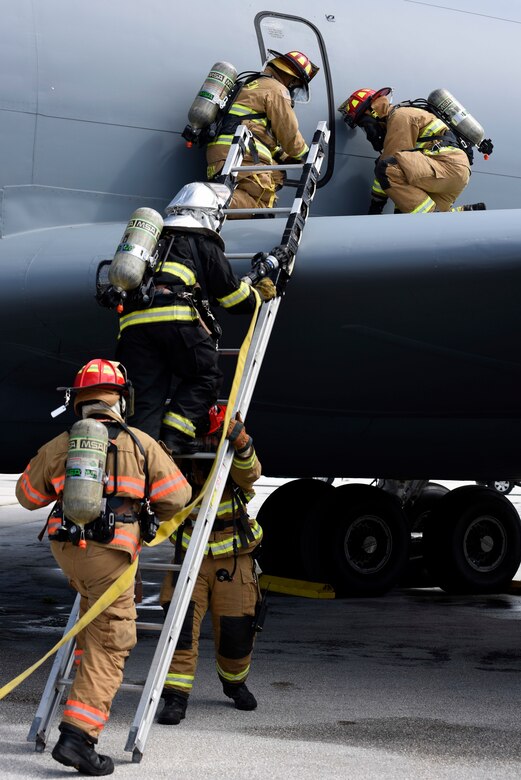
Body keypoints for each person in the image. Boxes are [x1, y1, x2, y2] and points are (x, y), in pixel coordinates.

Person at [15, 358, 192, 776]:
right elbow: (179, 497)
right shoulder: (142, 443)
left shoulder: (61, 444)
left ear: (78, 401)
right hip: (111, 554)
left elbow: (26, 496)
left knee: (96, 627)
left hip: (69, 554)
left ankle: (79, 701)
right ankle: (79, 738)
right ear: (121, 400)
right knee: (112, 643)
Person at [114, 180, 276, 455]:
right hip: (175, 321)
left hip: (132, 328)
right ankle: (173, 440)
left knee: (145, 400)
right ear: (204, 215)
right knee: (206, 377)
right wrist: (259, 293)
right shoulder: (202, 243)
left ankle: (140, 463)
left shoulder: (152, 244)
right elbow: (232, 298)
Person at [157, 406, 263, 725]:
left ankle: (235, 684)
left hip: (234, 554)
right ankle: (175, 697)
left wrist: (241, 444)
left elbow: (251, 473)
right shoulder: (179, 457)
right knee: (180, 631)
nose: (205, 445)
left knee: (238, 629)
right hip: (190, 555)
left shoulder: (232, 453)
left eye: (210, 439)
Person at [206, 49, 319, 217]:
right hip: (243, 155)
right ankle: (205, 204)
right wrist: (305, 154)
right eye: (295, 84)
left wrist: (282, 155)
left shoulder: (253, 84)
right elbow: (288, 131)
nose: (292, 88)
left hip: (224, 152)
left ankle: (209, 203)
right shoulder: (276, 90)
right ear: (291, 78)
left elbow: (257, 130)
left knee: (274, 176)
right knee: (262, 204)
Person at [337, 87, 474, 215]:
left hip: (446, 166)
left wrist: (376, 206)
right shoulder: (404, 115)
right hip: (452, 172)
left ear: (373, 111)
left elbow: (387, 166)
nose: (367, 131)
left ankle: (434, 218)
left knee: (387, 167)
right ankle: (464, 213)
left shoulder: (400, 116)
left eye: (364, 124)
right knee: (405, 210)